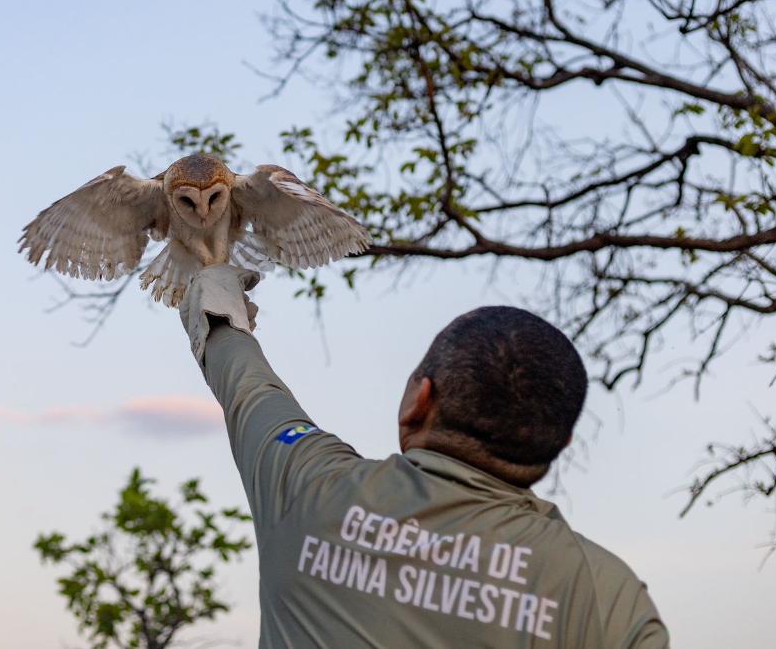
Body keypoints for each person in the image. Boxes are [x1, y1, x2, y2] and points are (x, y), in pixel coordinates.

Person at [179, 264, 669, 648]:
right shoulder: (612, 600)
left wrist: (216, 291)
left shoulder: (307, 485)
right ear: (559, 444)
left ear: (420, 399)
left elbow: (250, 387)